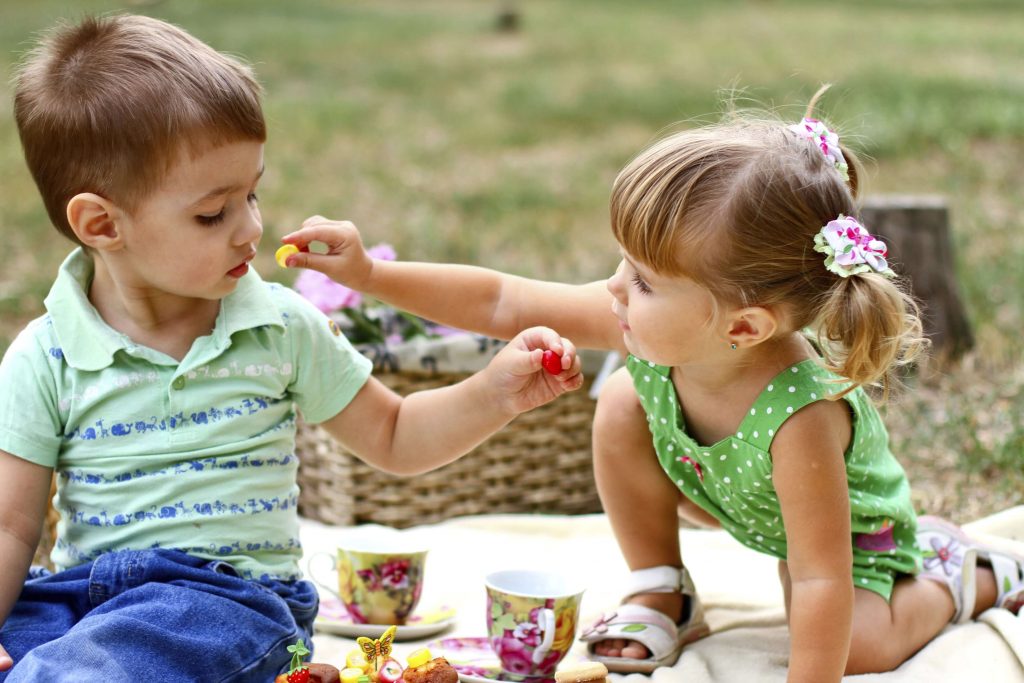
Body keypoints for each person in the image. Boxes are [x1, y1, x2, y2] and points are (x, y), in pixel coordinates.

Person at [279, 91, 1024, 680]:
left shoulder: (802, 416)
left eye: (642, 280)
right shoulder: (661, 328)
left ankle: (965, 573)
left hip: (849, 542)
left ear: (744, 327)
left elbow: (823, 578)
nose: (613, 287)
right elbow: (503, 300)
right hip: (729, 494)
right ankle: (661, 586)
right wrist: (370, 275)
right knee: (623, 399)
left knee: (849, 644)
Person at [0, 14, 583, 681]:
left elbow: (394, 434)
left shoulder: (279, 327)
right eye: (213, 213)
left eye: (252, 193)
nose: (251, 227)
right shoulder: (44, 356)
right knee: (36, 640)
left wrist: (494, 392)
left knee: (94, 663)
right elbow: (11, 527)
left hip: (231, 603)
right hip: (83, 600)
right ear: (102, 224)